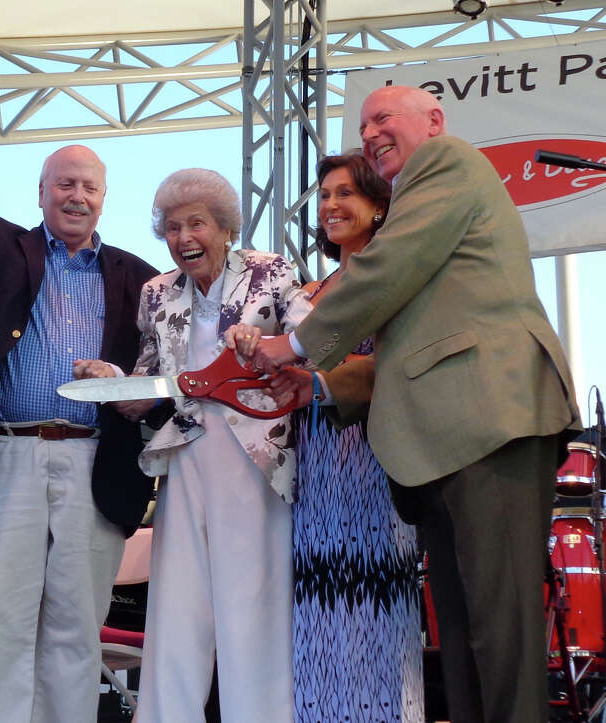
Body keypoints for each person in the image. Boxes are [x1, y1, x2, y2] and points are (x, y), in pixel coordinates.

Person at [249, 85, 581, 723]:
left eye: (383, 118)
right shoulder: (415, 204)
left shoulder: (446, 162)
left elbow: (387, 268)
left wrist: (293, 346)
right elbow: (402, 352)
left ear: (434, 121)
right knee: (463, 638)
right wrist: (319, 384)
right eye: (363, 121)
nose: (370, 131)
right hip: (444, 441)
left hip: (491, 421)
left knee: (500, 634)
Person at [0, 31, 158, 723]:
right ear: (41, 191)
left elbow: (159, 381)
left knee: (77, 628)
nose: (77, 196)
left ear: (104, 198)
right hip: (2, 452)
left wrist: (126, 386)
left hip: (92, 458)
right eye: (64, 184)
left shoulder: (138, 277)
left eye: (89, 186)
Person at [79, 169, 310, 721]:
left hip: (257, 459)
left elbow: (313, 336)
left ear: (225, 227)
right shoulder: (157, 292)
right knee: (177, 610)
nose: (184, 238)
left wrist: (272, 344)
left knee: (252, 608)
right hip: (185, 456)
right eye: (173, 228)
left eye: (197, 224)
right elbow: (149, 384)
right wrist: (109, 378)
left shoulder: (269, 272)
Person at [235, 152, 423, 722]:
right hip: (311, 464)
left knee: (373, 607)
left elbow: (392, 367)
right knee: (316, 610)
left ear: (380, 208)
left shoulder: (397, 279)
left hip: (371, 456)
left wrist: (314, 382)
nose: (332, 205)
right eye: (325, 195)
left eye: (348, 194)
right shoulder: (308, 290)